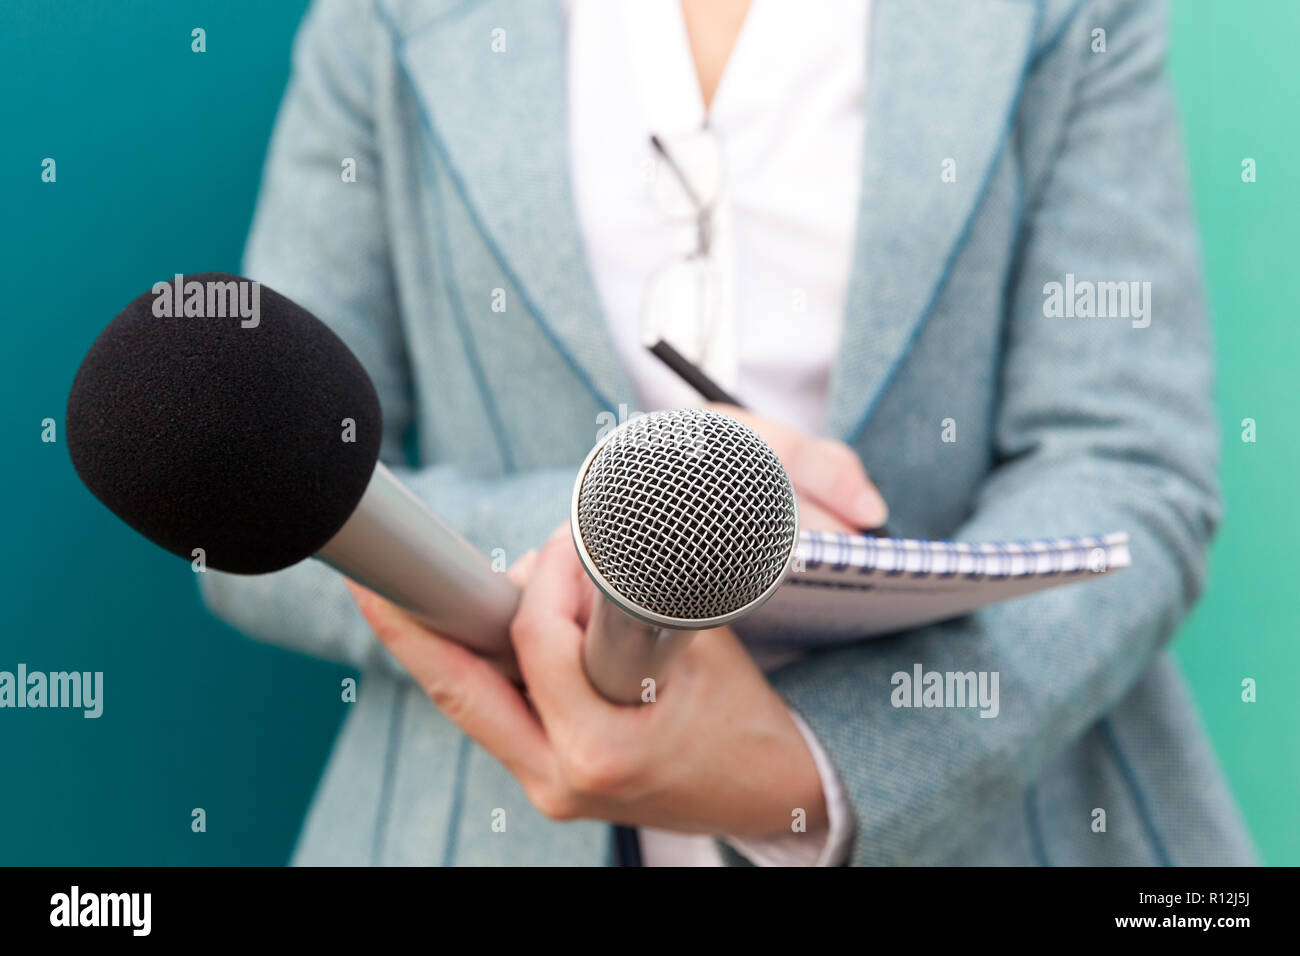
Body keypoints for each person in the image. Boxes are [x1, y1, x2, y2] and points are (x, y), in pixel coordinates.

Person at [200, 0, 1257, 865]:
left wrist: (818, 770)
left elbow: (1127, 465)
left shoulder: (1064, 14)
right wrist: (623, 525)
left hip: (976, 821)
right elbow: (250, 488)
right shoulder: (383, 19)